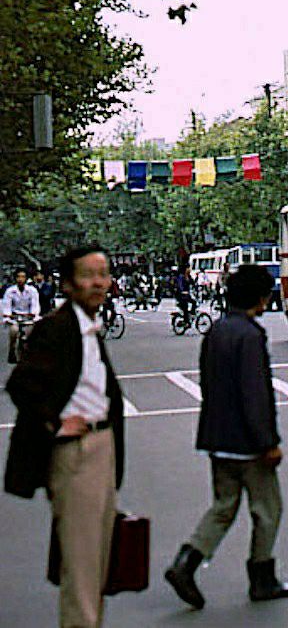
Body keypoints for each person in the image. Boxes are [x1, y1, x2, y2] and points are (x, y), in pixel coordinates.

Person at [165, 265, 288, 609]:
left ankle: (187, 561)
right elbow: (255, 393)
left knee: (223, 506)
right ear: (259, 298)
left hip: (216, 436)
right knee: (268, 509)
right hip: (248, 443)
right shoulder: (250, 335)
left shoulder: (217, 331)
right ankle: (262, 577)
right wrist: (268, 442)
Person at [4, 246, 126, 627]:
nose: (98, 283)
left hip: (100, 448)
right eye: (88, 275)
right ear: (70, 284)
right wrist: (55, 424)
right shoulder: (57, 328)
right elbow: (21, 385)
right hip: (77, 452)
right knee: (82, 562)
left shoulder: (88, 326)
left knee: (97, 560)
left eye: (103, 274)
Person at [3, 267, 41, 363]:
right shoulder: (10, 291)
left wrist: (33, 313)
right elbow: (6, 305)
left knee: (30, 334)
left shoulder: (32, 290)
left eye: (23, 277)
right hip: (14, 317)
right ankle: (12, 350)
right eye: (18, 277)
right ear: (15, 278)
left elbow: (35, 305)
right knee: (14, 331)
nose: (20, 279)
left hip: (28, 317)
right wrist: (9, 314)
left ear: (26, 278)